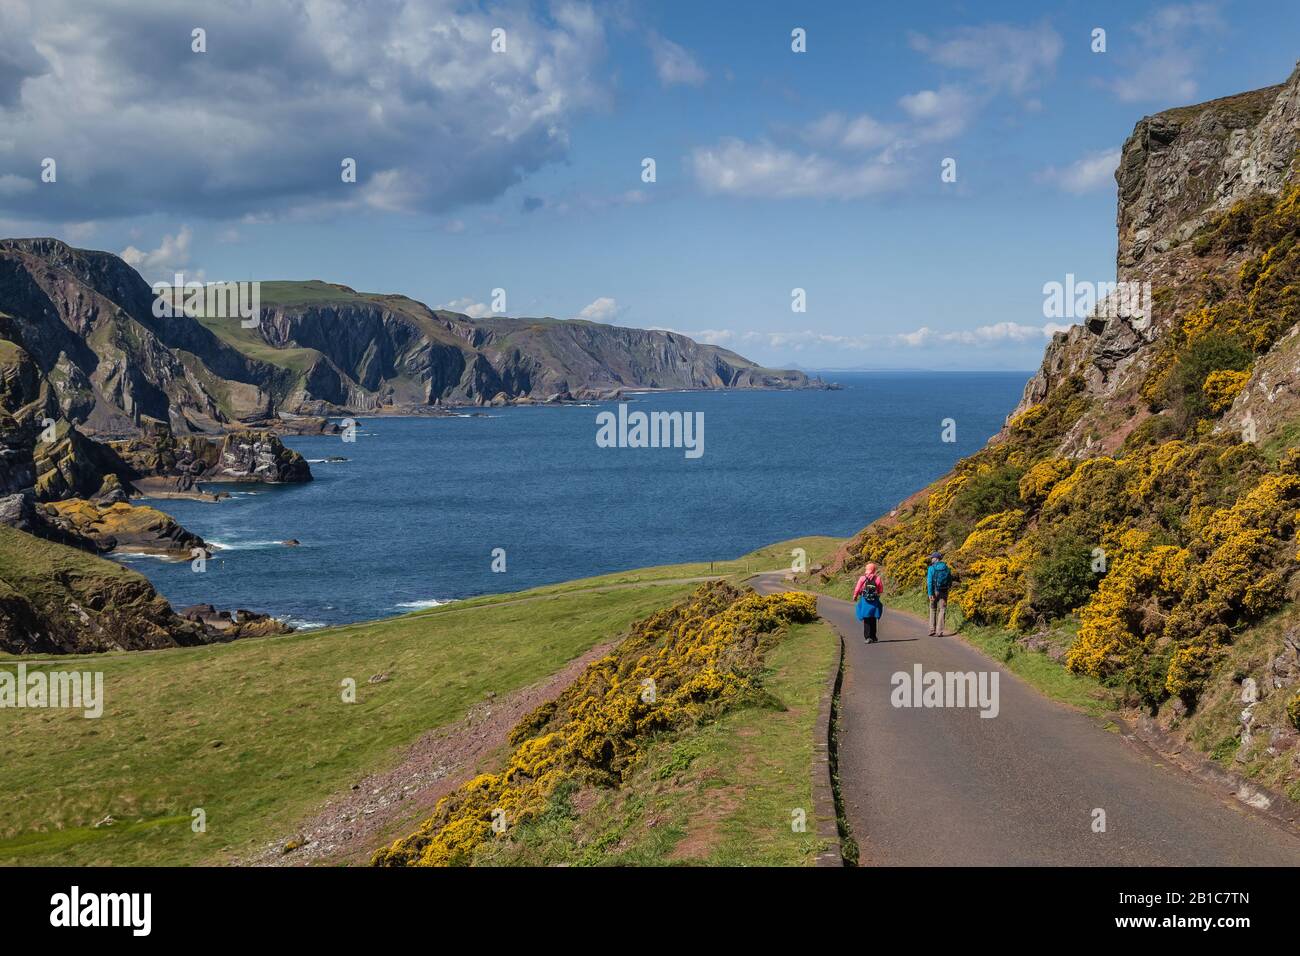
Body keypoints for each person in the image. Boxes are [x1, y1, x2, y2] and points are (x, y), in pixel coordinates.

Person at [853, 561, 885, 643]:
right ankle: (873, 637)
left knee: (866, 618)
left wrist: (855, 595)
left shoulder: (862, 578)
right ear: (874, 570)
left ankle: (867, 637)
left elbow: (857, 588)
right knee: (873, 618)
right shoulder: (877, 579)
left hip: (865, 600)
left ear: (867, 569)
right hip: (874, 601)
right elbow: (881, 590)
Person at [926, 552, 952, 636]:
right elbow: (950, 579)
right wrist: (948, 588)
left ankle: (931, 630)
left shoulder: (931, 568)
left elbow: (929, 582)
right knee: (942, 610)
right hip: (944, 591)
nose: (931, 559)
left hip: (934, 591)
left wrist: (930, 593)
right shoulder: (946, 567)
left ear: (936, 559)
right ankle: (939, 631)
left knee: (933, 609)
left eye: (932, 558)